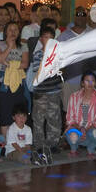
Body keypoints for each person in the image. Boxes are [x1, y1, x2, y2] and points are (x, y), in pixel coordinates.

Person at [28, 25, 63, 166]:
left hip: (54, 90)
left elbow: (59, 71)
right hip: (40, 92)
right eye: (45, 38)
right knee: (38, 118)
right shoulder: (37, 54)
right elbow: (38, 71)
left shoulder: (58, 54)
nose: (48, 41)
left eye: (51, 38)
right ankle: (39, 144)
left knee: (54, 117)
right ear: (41, 39)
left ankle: (52, 143)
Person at [64, 72, 96, 156]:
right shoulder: (74, 96)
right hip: (77, 128)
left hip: (90, 129)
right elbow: (70, 119)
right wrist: (80, 128)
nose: (90, 83)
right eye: (87, 81)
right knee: (72, 135)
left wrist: (86, 129)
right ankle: (74, 149)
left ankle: (90, 149)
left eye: (92, 81)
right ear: (82, 83)